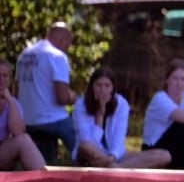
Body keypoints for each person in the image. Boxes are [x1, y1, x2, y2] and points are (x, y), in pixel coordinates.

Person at [72, 67, 171, 169]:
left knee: (164, 155)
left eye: (107, 86)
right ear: (92, 87)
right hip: (91, 155)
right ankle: (115, 169)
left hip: (114, 157)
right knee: (85, 146)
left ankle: (113, 168)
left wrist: (111, 158)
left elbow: (119, 140)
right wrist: (100, 115)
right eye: (98, 85)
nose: (102, 90)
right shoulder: (81, 105)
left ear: (112, 88)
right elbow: (88, 141)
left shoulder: (121, 104)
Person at [16, 21, 76, 163]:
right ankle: (90, 169)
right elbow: (62, 97)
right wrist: (74, 97)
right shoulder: (56, 56)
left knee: (46, 160)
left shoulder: (24, 55)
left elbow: (16, 89)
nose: (67, 49)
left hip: (27, 119)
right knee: (83, 142)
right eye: (68, 44)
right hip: (52, 119)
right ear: (63, 39)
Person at [0, 58, 47, 171]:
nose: (1, 79)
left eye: (5, 76)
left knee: (24, 140)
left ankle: (45, 178)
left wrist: (10, 101)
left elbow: (17, 131)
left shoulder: (13, 104)